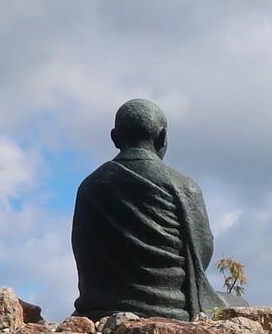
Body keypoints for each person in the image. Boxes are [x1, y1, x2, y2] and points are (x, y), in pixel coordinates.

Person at [71, 98, 225, 320]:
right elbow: (203, 249)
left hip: (98, 309)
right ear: (162, 137)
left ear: (114, 138)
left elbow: (82, 248)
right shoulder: (183, 185)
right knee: (238, 305)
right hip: (173, 308)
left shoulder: (89, 186)